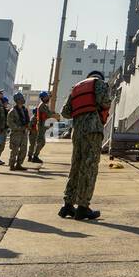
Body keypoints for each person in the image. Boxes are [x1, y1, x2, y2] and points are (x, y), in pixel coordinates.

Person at [59, 69, 111, 220]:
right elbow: (105, 102)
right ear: (98, 78)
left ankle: (68, 205)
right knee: (89, 167)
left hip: (78, 131)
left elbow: (65, 112)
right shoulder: (100, 84)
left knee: (76, 166)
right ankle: (83, 207)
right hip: (93, 130)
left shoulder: (76, 88)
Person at [7, 92, 31, 170]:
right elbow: (10, 123)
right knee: (15, 150)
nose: (23, 99)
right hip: (16, 133)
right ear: (17, 100)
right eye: (21, 98)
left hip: (24, 133)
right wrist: (20, 128)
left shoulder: (24, 110)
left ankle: (19, 164)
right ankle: (12, 165)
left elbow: (27, 120)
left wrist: (28, 126)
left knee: (23, 150)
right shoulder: (12, 111)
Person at [28, 91, 53, 163]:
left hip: (42, 127)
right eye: (46, 97)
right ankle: (34, 156)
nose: (48, 98)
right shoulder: (42, 106)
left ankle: (35, 156)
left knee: (41, 143)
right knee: (40, 143)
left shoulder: (44, 105)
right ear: (43, 98)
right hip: (40, 128)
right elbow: (49, 114)